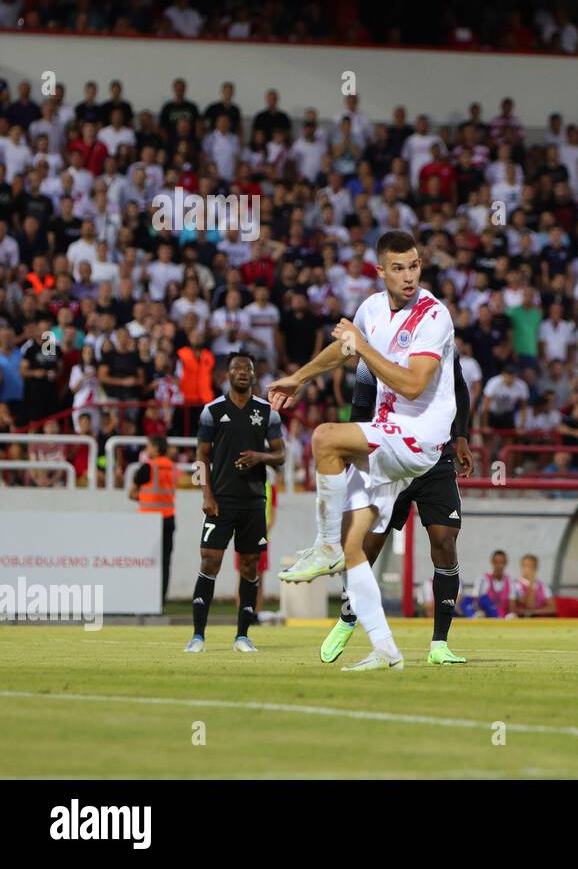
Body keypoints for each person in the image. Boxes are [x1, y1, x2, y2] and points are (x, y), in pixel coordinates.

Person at [270, 231, 456, 671]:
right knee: (360, 548)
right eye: (398, 268)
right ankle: (385, 649)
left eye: (414, 266)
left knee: (324, 438)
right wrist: (299, 377)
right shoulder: (371, 309)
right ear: (380, 271)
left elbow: (412, 383)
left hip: (421, 438)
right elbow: (343, 350)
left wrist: (363, 344)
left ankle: (324, 544)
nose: (409, 276)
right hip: (385, 434)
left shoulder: (434, 315)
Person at [318, 351, 475, 665]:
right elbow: (362, 404)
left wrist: (461, 436)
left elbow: (458, 387)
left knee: (445, 542)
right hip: (388, 458)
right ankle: (348, 617)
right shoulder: (372, 350)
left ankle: (439, 645)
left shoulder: (441, 341)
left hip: (435, 456)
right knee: (367, 546)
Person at [185, 352, 285, 653]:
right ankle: (198, 636)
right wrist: (206, 494)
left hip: (254, 501)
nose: (243, 372)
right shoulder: (212, 411)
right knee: (209, 560)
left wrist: (260, 457)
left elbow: (280, 456)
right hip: (221, 500)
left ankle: (243, 635)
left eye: (248, 369)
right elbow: (201, 455)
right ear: (226, 375)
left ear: (254, 376)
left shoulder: (268, 412)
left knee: (251, 566)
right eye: (237, 368)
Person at [128, 435, 175, 608]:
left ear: (155, 448)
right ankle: (160, 601)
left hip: (149, 520)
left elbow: (132, 493)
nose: (147, 449)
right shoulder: (172, 467)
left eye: (149, 446)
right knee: (165, 562)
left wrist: (145, 498)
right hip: (169, 518)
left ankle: (144, 599)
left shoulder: (148, 467)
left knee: (146, 561)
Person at [512, 553, 555, 617]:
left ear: (536, 568)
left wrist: (533, 612)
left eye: (531, 566)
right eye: (525, 565)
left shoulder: (543, 586)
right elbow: (529, 605)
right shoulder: (515, 585)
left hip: (540, 622)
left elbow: (553, 608)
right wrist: (531, 584)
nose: (528, 569)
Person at [473, 550, 513, 618]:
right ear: (492, 562)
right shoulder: (482, 579)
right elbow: (475, 600)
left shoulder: (510, 581)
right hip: (486, 616)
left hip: (503, 617)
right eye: (496, 562)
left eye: (501, 562)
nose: (499, 565)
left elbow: (512, 605)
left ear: (506, 563)